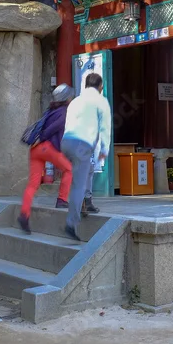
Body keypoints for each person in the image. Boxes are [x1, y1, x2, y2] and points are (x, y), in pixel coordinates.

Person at [61, 73, 112, 241]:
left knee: (86, 171)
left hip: (67, 142)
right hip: (81, 144)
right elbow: (105, 128)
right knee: (79, 185)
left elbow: (68, 123)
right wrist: (104, 149)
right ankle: (71, 224)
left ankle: (86, 202)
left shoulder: (75, 101)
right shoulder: (100, 102)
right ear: (100, 87)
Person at [18, 84, 75, 234]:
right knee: (69, 170)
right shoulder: (63, 112)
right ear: (66, 99)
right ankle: (62, 200)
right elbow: (51, 130)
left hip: (35, 149)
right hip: (47, 148)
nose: (71, 98)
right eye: (70, 96)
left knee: (33, 184)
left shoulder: (50, 110)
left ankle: (24, 215)